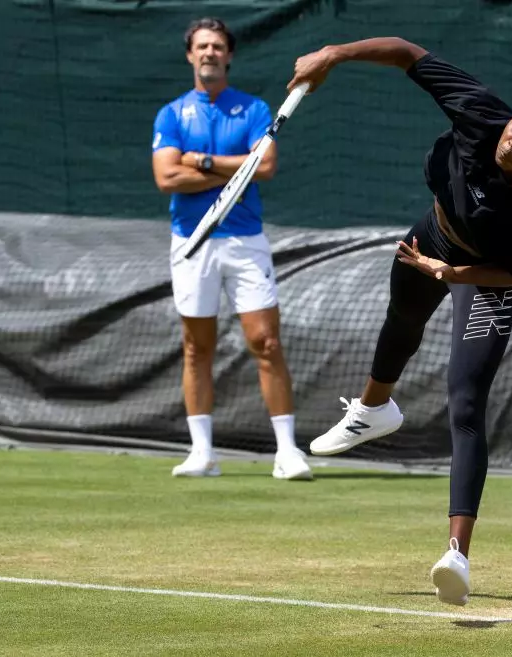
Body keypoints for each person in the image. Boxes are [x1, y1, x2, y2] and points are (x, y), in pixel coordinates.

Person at [287, 37, 512, 604]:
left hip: (485, 273)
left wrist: (449, 273)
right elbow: (404, 52)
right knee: (402, 323)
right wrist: (332, 55)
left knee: (465, 401)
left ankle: (456, 555)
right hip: (435, 232)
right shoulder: (480, 112)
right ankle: (374, 409)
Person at [151, 17, 312, 481]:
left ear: (229, 55)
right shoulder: (171, 114)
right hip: (192, 241)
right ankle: (202, 453)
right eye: (202, 46)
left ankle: (287, 452)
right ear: (190, 54)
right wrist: (237, 168)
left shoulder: (255, 109)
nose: (209, 53)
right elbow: (166, 178)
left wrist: (198, 161)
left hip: (244, 241)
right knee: (195, 347)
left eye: (217, 46)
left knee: (267, 341)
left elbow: (265, 166)